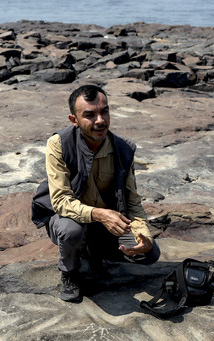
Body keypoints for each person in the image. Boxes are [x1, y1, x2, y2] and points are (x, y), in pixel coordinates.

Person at [31, 84, 160, 302]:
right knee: (71, 231)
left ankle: (94, 252)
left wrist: (143, 234)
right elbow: (61, 201)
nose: (100, 120)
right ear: (74, 120)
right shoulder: (59, 144)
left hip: (105, 222)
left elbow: (132, 200)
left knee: (149, 255)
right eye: (90, 115)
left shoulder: (123, 149)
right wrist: (100, 214)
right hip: (70, 218)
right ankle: (70, 272)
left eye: (104, 112)